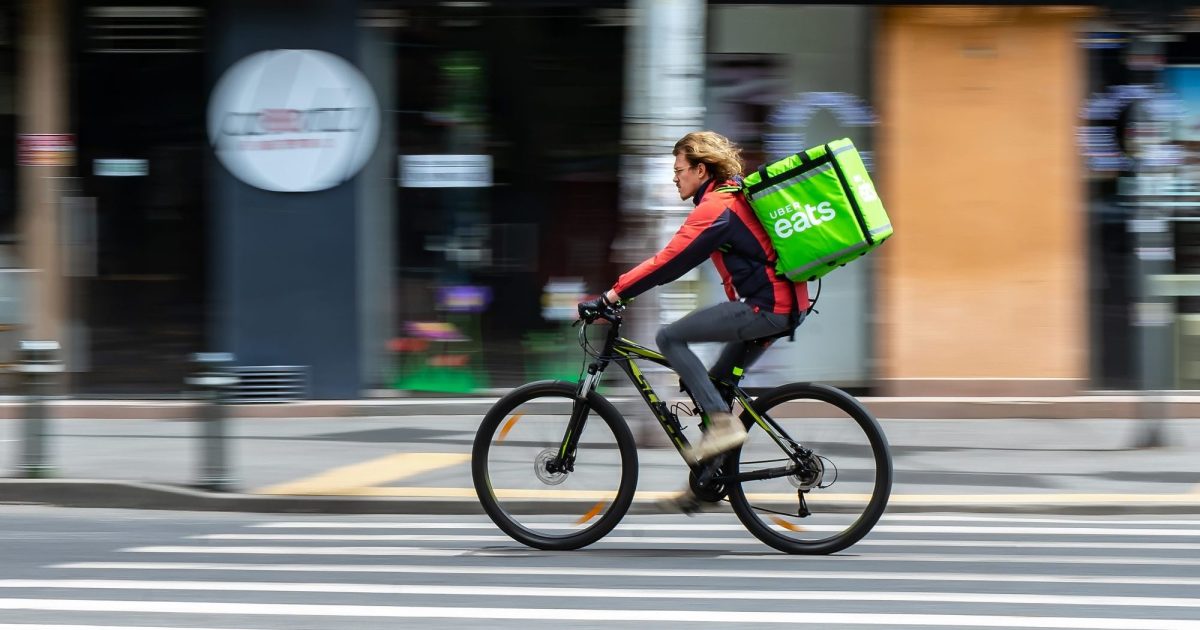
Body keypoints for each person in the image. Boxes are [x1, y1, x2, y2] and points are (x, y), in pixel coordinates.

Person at [578, 131, 810, 510]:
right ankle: (707, 482)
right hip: (784, 306)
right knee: (715, 386)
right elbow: (680, 262)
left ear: (701, 170)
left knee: (670, 338)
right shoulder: (730, 199)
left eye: (680, 169)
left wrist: (612, 296)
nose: (675, 177)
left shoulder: (716, 208)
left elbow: (668, 262)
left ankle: (721, 424)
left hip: (765, 307)